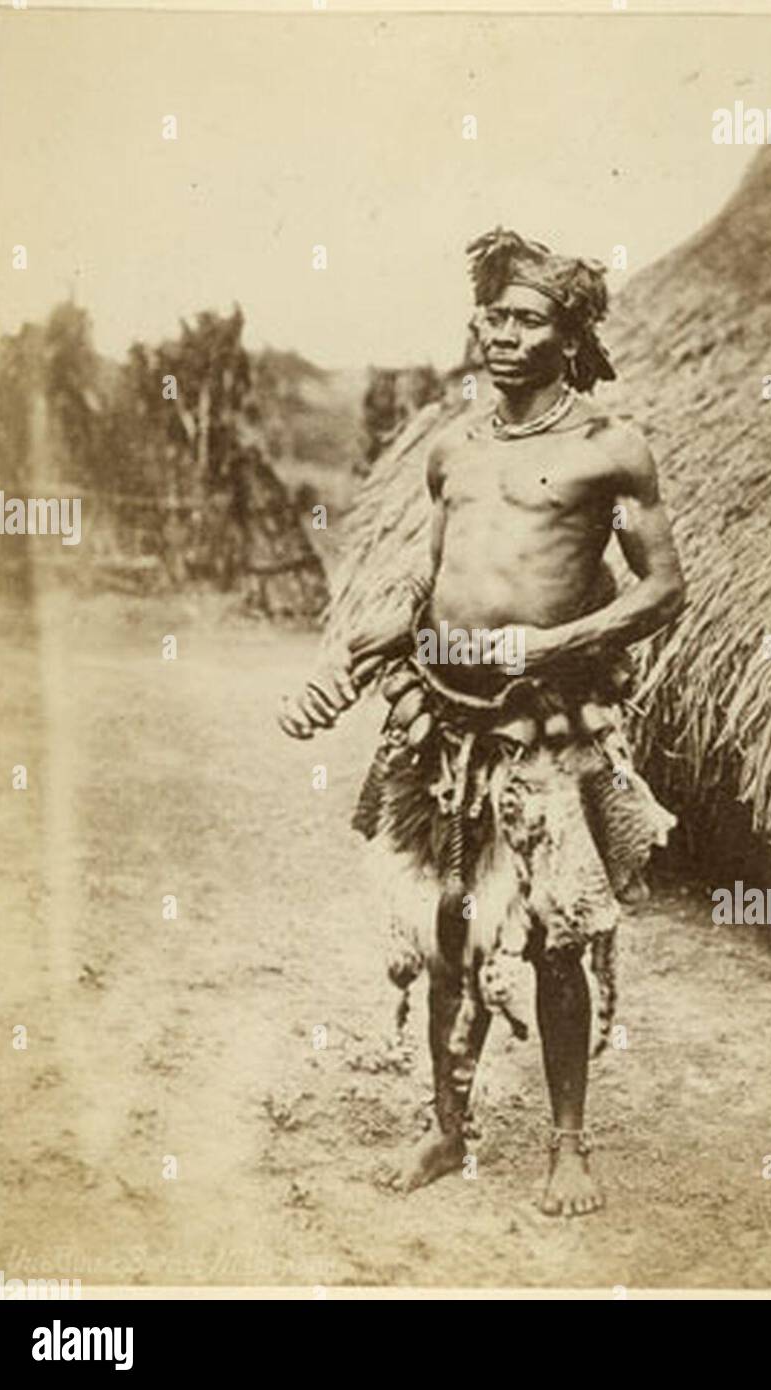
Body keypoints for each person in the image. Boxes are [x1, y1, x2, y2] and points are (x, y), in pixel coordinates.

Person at [279, 227, 686, 1216]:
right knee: (448, 932)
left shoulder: (607, 451)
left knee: (554, 936)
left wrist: (553, 647)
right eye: (493, 314)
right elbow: (431, 568)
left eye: (527, 319)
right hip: (443, 722)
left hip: (546, 721)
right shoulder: (453, 447)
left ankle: (567, 1145)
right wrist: (372, 641)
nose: (501, 334)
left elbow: (664, 589)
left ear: (570, 333)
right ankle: (446, 1126)